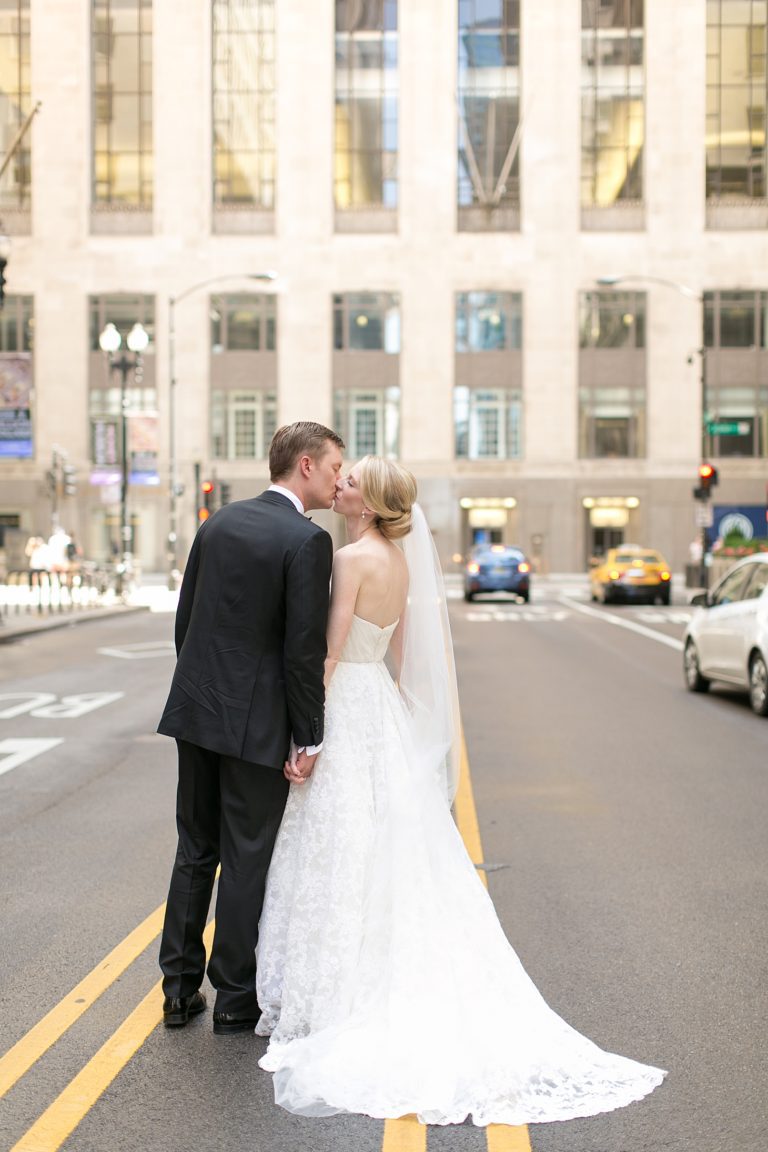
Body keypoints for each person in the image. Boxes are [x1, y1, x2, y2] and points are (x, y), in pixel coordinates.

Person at [255, 455, 666, 1126]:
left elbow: (329, 655)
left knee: (340, 844)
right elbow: (401, 655)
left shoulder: (353, 561)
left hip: (348, 705)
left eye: (352, 481)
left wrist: (307, 736)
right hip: (380, 711)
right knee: (374, 842)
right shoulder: (400, 563)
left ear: (369, 503)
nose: (341, 485)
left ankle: (337, 989)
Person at [157, 421, 344, 1035]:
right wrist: (309, 736)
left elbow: (186, 623)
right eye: (336, 465)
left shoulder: (217, 523)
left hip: (196, 709)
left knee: (195, 850)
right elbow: (301, 654)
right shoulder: (306, 542)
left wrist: (201, 692)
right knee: (245, 858)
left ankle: (179, 989)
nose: (341, 477)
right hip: (255, 724)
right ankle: (235, 997)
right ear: (307, 467)